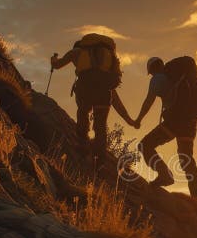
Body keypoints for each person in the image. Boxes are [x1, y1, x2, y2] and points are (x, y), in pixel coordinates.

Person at [51, 34, 135, 162]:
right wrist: (129, 119)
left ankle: (82, 146)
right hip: (104, 94)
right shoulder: (106, 66)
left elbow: (57, 65)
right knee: (100, 126)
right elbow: (115, 100)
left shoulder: (76, 52)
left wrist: (54, 59)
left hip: (85, 90)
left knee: (83, 113)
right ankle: (100, 160)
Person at [133, 57, 197, 199]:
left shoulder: (157, 79)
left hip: (175, 122)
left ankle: (164, 175)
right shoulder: (179, 76)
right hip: (190, 121)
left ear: (152, 70)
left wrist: (138, 119)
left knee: (145, 145)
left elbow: (148, 102)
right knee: (186, 158)